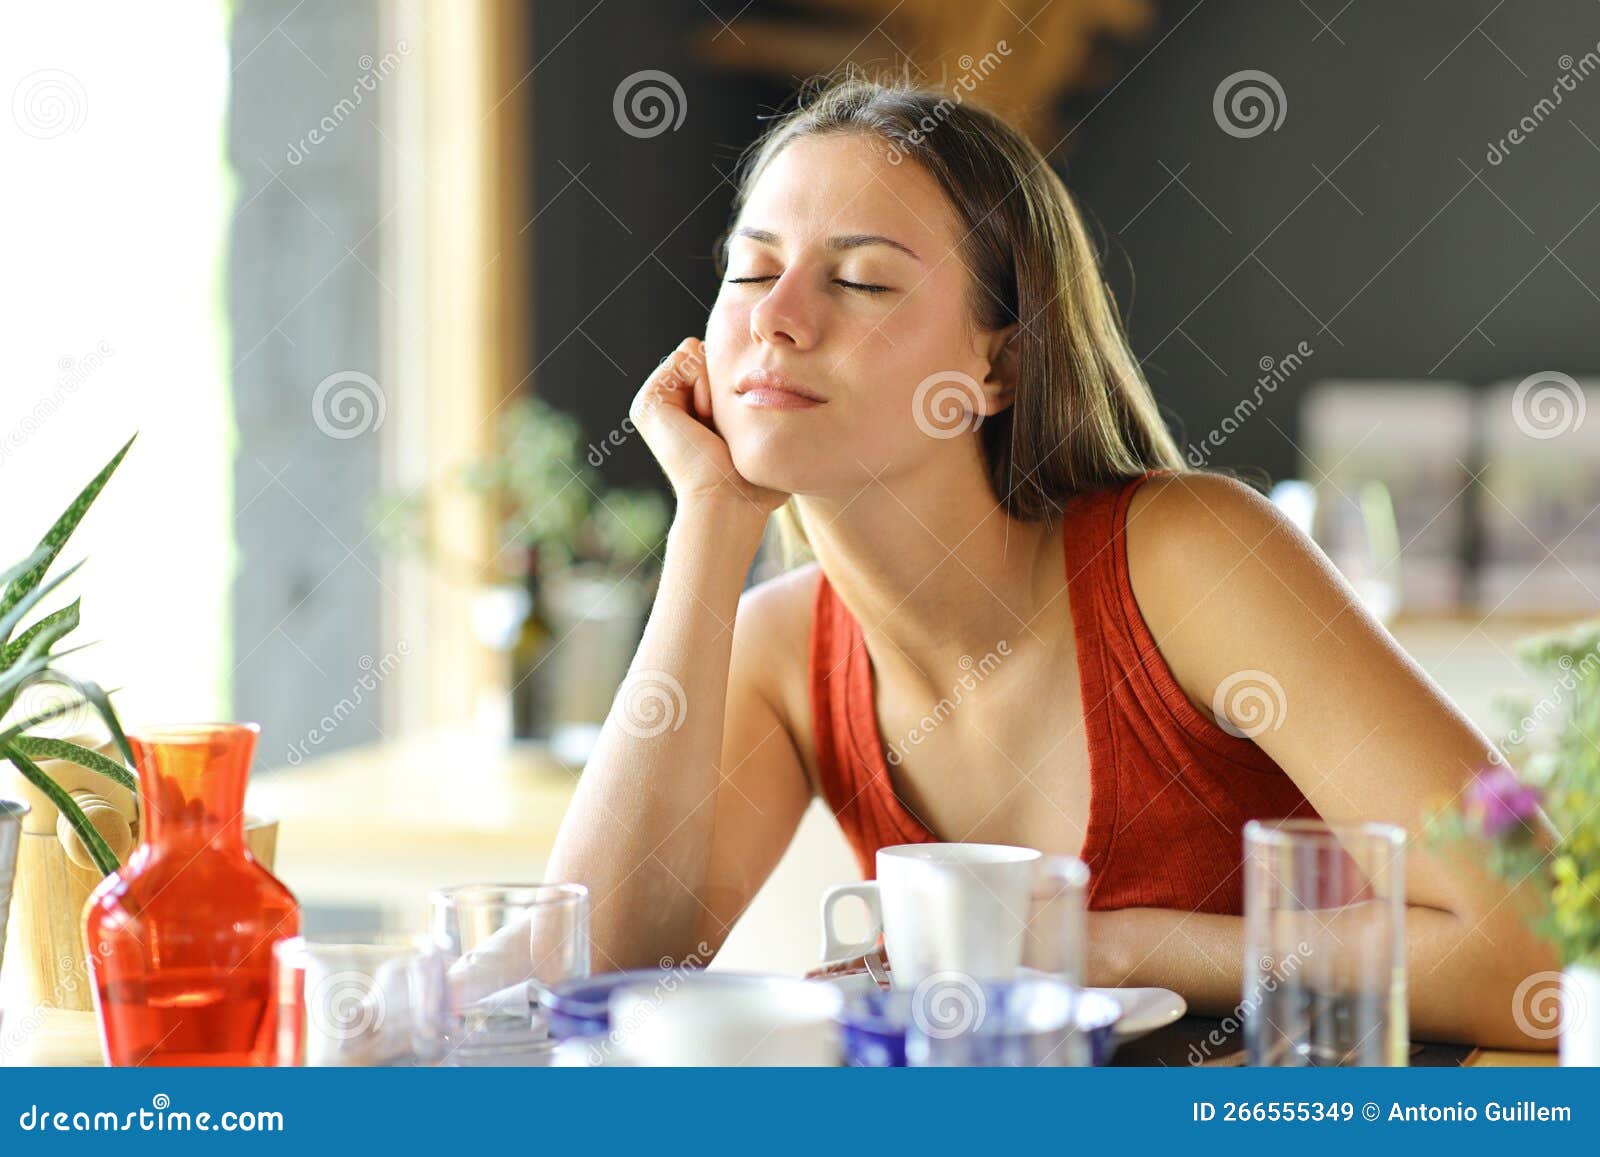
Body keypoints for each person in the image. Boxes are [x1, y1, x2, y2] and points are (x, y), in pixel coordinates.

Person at [545, 75, 1556, 1048]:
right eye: (751, 270)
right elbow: (577, 983)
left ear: (998, 363)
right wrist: (710, 521)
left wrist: (1105, 948)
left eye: (860, 280)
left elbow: (1543, 956)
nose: (777, 316)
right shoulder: (781, 651)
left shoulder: (1189, 560)